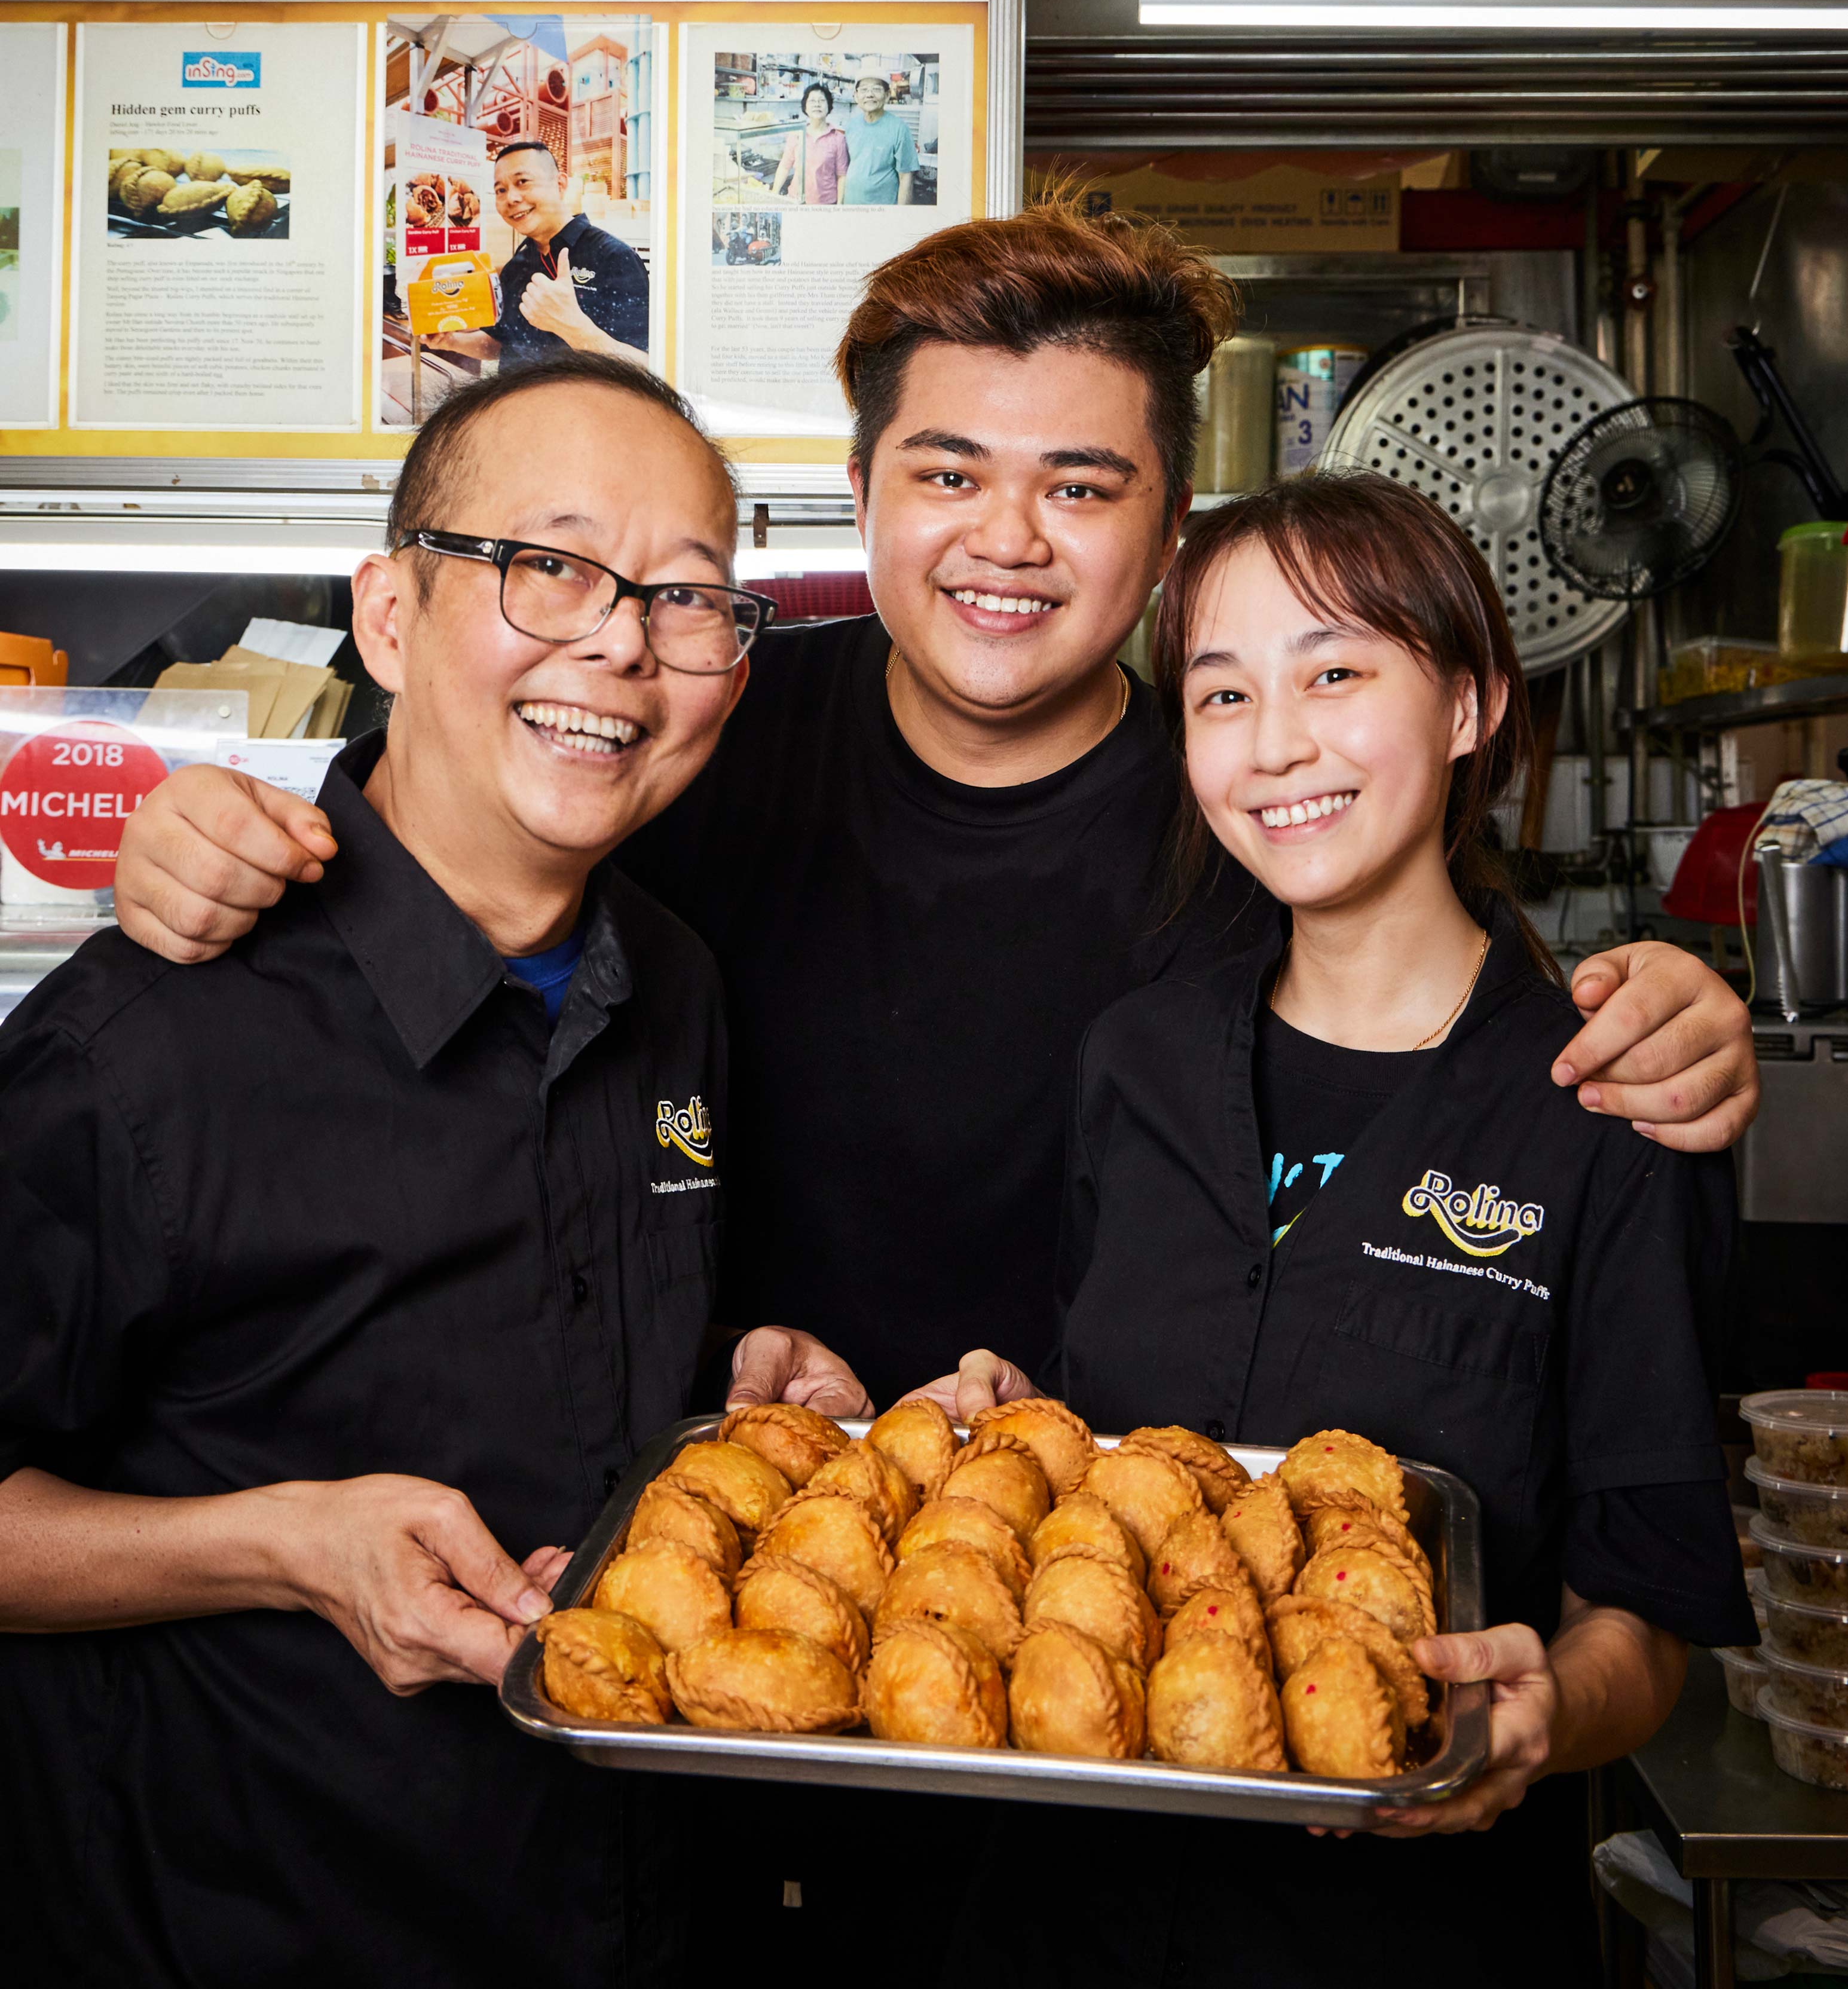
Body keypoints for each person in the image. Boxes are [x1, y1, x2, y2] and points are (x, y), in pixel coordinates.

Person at [105, 207, 1759, 1954]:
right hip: (704, 1697)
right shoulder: (696, 731)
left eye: (1079, 485)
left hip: (1099, 1718)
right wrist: (224, 823)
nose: (1005, 538)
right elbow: (460, 798)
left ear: (1165, 535)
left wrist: (1669, 1007)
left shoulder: (1248, 815)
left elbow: (1433, 1025)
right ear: (861, 491)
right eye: (948, 472)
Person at [0, 354, 865, 1989]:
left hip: (633, 1908)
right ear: (388, 618)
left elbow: (542, 1322)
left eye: (685, 598)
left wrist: (728, 1374)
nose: (621, 642)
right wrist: (280, 1545)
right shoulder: (144, 1041)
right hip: (261, 1917)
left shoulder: (676, 983)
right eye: (550, 566)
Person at [937, 471, 1755, 1987]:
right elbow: (1105, 1438)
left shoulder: (1606, 1101)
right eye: (1220, 693)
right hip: (1065, 1912)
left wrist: (1544, 1712)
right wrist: (1003, 1417)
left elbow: (1644, 1621)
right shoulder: (1132, 1061)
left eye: (1333, 674)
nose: (1273, 744)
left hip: (1407, 1935)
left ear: (1467, 705)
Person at [439, 139, 649, 368]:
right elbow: (501, 344)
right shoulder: (516, 266)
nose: (511, 198)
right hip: (515, 391)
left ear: (560, 184)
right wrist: (451, 341)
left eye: (523, 182)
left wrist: (575, 329)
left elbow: (646, 365)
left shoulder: (614, 258)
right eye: (501, 190)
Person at [839, 72, 919, 206]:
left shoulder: (899, 128)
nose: (869, 94)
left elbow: (906, 177)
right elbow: (845, 169)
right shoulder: (851, 126)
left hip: (883, 210)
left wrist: (902, 214)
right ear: (856, 96)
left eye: (876, 89)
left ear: (887, 95)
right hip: (851, 205)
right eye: (864, 90)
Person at [774, 82, 852, 205]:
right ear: (805, 107)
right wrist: (774, 195)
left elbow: (842, 175)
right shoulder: (797, 134)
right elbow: (784, 167)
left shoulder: (838, 138)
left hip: (826, 204)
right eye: (812, 101)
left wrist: (839, 206)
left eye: (822, 100)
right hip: (796, 201)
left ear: (829, 106)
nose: (817, 104)